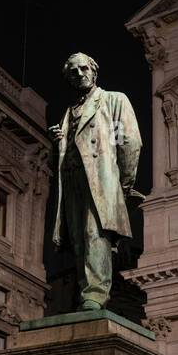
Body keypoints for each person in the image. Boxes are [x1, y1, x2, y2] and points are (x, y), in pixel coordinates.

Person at [49, 53, 143, 312]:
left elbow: (130, 142)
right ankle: (86, 292)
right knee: (78, 239)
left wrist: (122, 185)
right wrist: (58, 144)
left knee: (95, 234)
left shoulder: (114, 99)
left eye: (83, 69)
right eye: (73, 72)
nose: (79, 74)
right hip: (72, 180)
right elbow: (58, 159)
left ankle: (96, 293)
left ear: (94, 71)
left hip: (101, 180)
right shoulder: (68, 113)